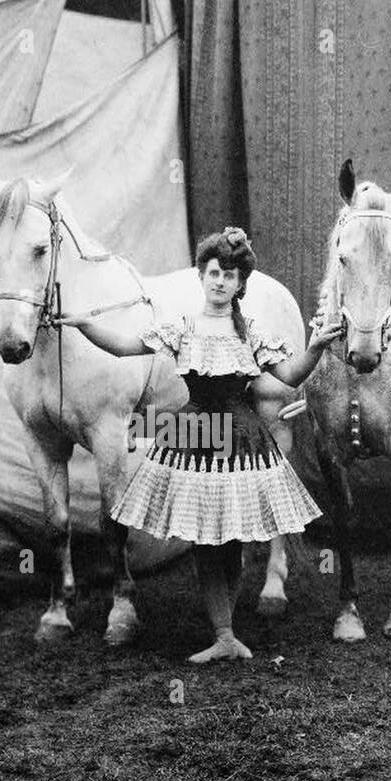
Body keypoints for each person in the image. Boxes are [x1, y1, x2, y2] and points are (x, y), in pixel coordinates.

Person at [59, 227, 343, 663]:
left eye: (229, 276)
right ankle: (222, 633)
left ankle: (228, 632)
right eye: (213, 273)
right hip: (193, 438)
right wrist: (85, 326)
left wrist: (319, 346)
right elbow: (125, 347)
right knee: (205, 539)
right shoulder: (182, 328)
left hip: (241, 440)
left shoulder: (250, 332)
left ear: (239, 284)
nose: (219, 282)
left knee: (230, 536)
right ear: (201, 276)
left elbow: (288, 375)